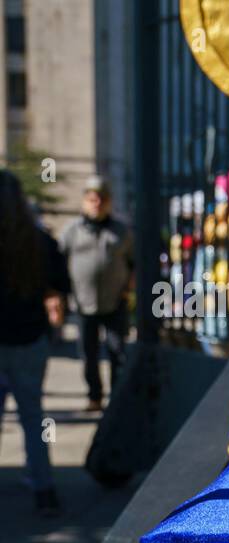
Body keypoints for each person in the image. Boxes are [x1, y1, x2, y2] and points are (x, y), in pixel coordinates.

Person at [0, 169, 71, 516]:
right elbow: (61, 282)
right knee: (33, 417)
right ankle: (44, 489)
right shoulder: (39, 241)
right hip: (29, 338)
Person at [60, 174, 133, 412]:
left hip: (115, 302)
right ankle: (94, 396)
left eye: (101, 199)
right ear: (85, 201)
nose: (96, 203)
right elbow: (59, 263)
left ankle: (117, 400)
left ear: (109, 201)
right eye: (92, 199)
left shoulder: (122, 231)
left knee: (117, 353)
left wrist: (129, 289)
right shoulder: (72, 231)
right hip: (83, 304)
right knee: (89, 355)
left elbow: (135, 263)